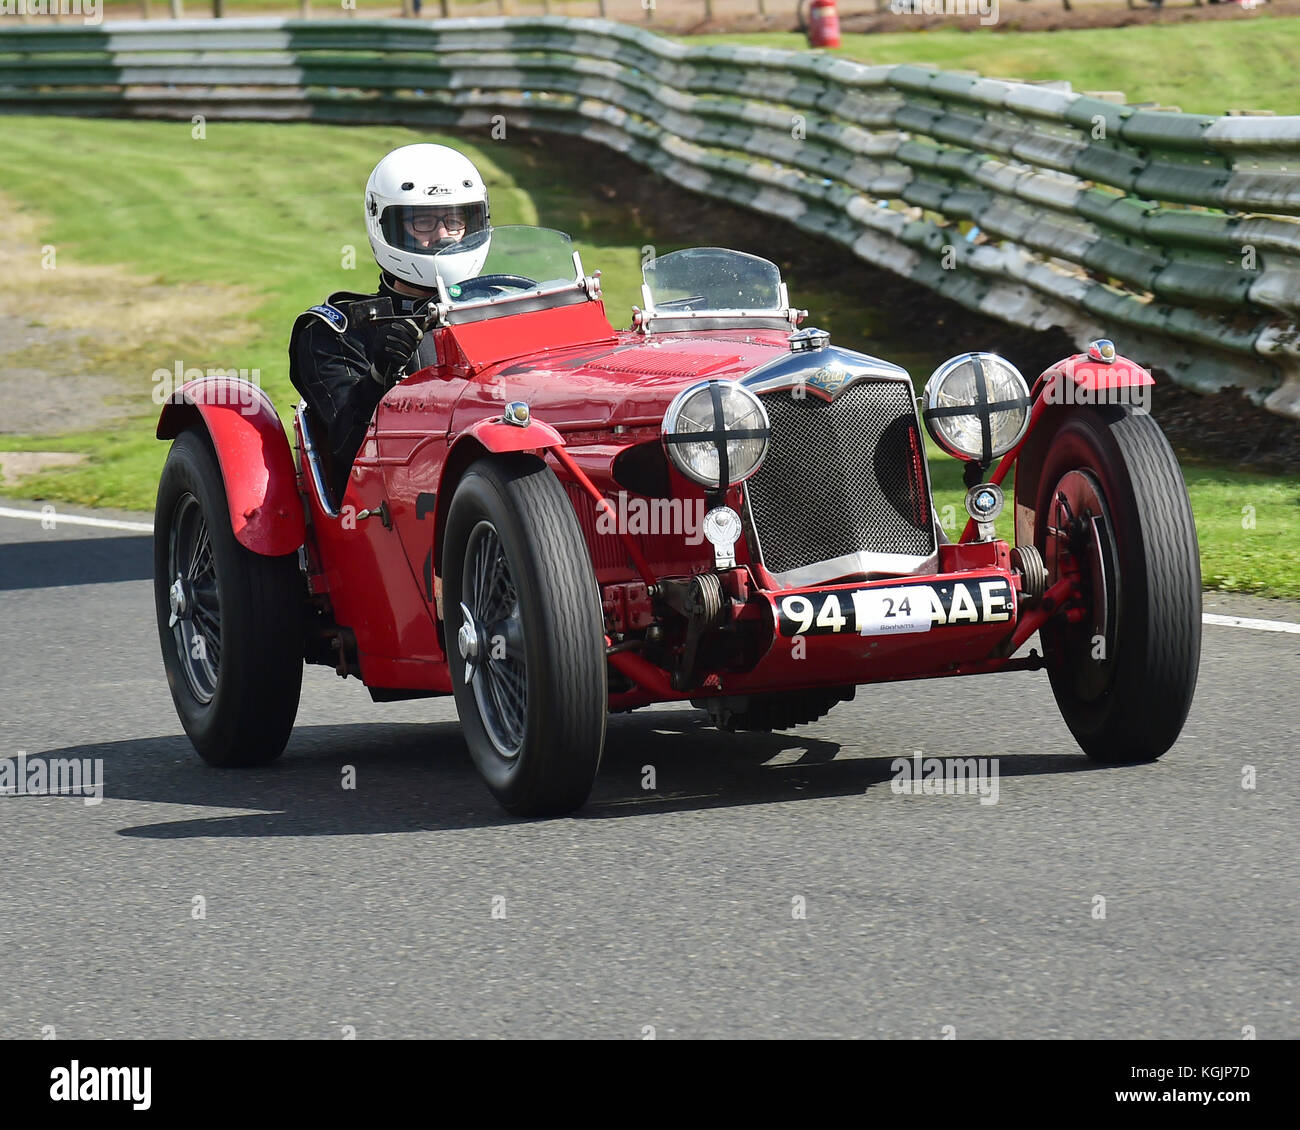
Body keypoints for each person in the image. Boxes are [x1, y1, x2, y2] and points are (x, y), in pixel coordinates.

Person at [289, 143, 492, 501]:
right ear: (387, 225)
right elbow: (347, 450)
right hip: (393, 500)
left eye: (455, 220)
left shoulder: (502, 304)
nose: (444, 235)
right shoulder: (335, 331)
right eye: (423, 221)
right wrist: (380, 376)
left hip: (501, 469)